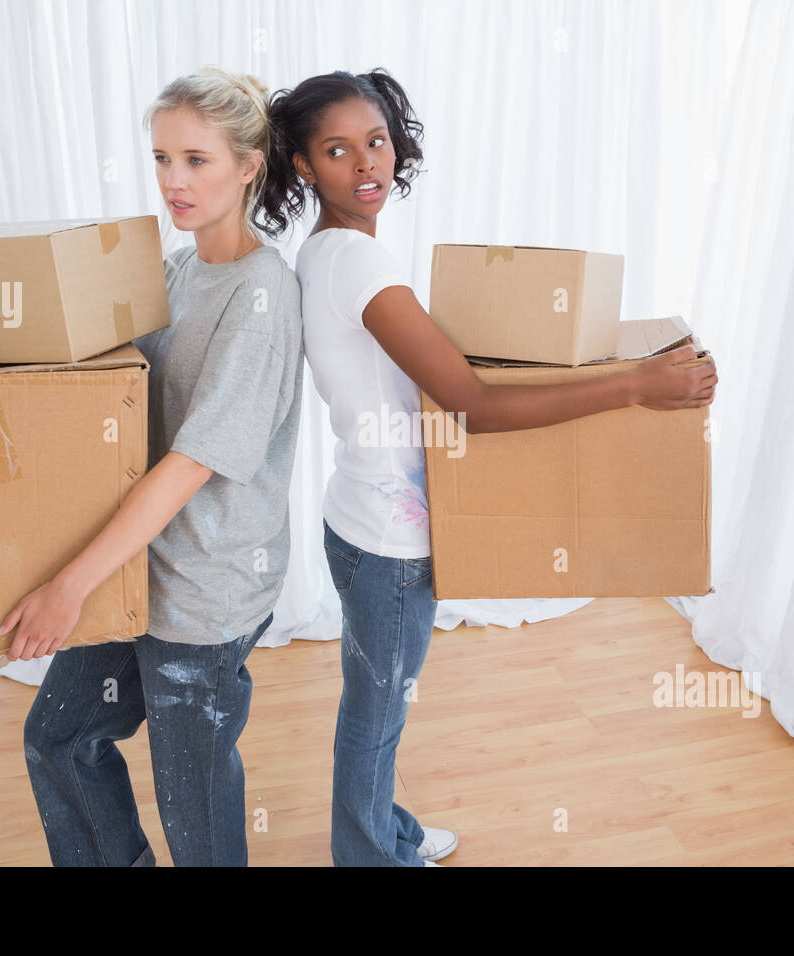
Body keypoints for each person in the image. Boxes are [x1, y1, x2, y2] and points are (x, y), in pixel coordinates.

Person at [256, 68, 717, 866]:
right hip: (387, 541)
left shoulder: (334, 251)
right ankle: (369, 855)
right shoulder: (359, 266)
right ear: (303, 165)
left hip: (363, 519)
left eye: (377, 141)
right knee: (377, 713)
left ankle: (386, 831)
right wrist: (638, 383)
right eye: (338, 151)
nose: (367, 164)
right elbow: (471, 403)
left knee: (382, 705)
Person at [2, 67, 304, 866]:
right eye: (162, 158)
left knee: (193, 810)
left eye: (197, 160)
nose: (174, 180)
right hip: (138, 567)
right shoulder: (179, 271)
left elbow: (189, 465)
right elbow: (110, 392)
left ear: (248, 165)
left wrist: (67, 587)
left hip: (203, 592)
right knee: (60, 740)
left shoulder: (262, 297)